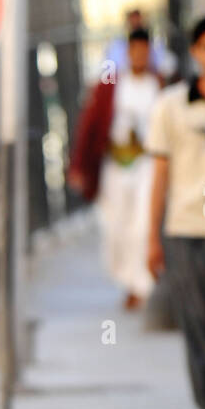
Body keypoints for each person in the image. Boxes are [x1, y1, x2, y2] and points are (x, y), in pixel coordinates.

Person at [146, 13, 205, 409]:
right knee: (201, 331)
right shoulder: (171, 106)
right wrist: (152, 238)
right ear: (195, 53)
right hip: (187, 230)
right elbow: (160, 176)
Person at [68, 28, 162, 308]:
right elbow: (90, 124)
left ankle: (143, 284)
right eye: (135, 51)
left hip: (146, 164)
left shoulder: (159, 84)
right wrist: (79, 166)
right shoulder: (110, 86)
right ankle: (127, 280)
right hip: (115, 166)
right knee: (116, 225)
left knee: (143, 223)